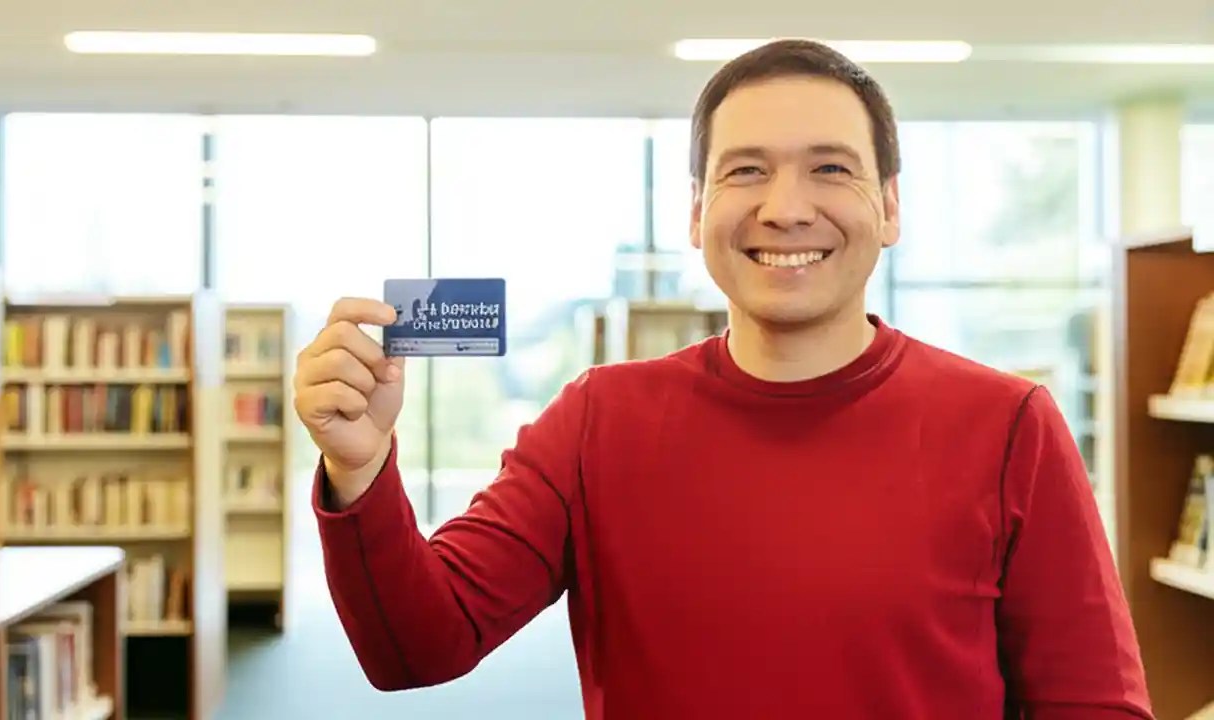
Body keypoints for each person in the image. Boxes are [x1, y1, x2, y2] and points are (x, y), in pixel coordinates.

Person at [294, 38, 1154, 720]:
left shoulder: (1008, 424)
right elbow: (418, 647)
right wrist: (360, 470)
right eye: (746, 170)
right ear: (697, 211)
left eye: (830, 167)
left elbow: (1094, 704)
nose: (785, 206)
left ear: (889, 207)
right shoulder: (599, 420)